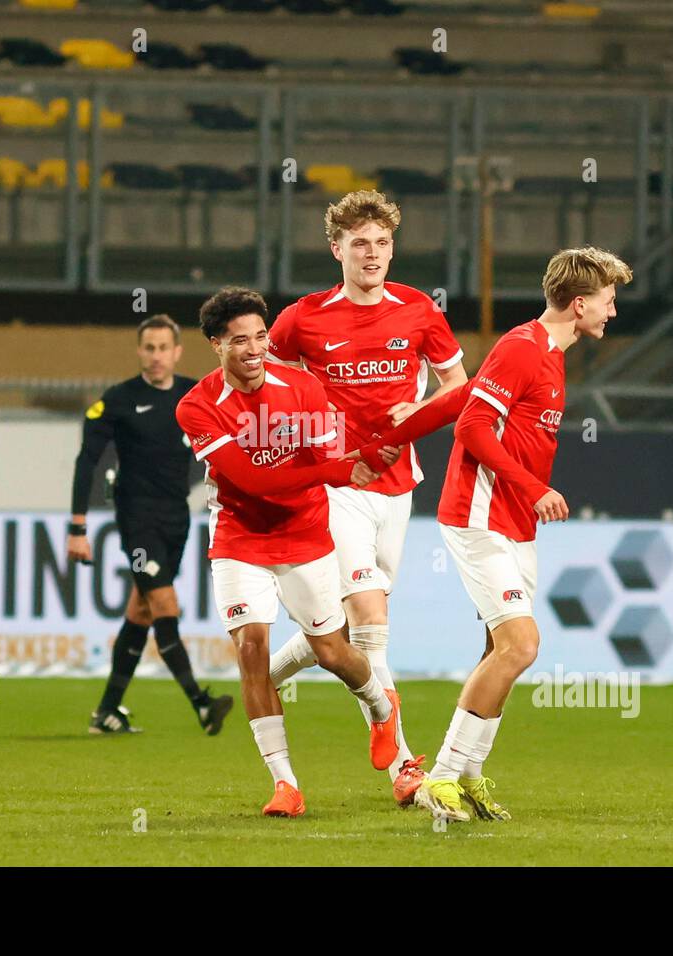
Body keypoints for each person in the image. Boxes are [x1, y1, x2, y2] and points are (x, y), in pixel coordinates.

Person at [358, 247, 633, 822]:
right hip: (479, 516)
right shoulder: (523, 347)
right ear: (579, 303)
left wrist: (403, 427)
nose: (612, 312)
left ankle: (472, 776)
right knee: (522, 646)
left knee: (496, 649)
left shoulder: (548, 355)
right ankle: (442, 779)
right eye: (608, 301)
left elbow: (464, 395)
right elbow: (477, 426)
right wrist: (534, 488)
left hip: (514, 524)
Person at [265, 190, 468, 806]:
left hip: (398, 485)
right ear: (337, 250)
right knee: (374, 622)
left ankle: (263, 674)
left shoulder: (419, 311)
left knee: (351, 624)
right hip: (336, 486)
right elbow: (264, 388)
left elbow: (457, 386)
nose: (372, 253)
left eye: (381, 242)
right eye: (359, 243)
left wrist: (423, 407)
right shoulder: (303, 317)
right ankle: (403, 763)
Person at [175, 286, 402, 817]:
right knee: (251, 649)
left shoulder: (302, 386)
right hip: (238, 536)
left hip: (304, 534)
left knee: (330, 651)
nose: (254, 350)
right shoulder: (197, 406)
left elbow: (325, 453)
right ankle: (285, 785)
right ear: (215, 345)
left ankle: (379, 706)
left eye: (260, 337)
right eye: (239, 341)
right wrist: (344, 467)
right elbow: (251, 481)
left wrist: (353, 456)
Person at [67, 314, 233, 735]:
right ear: (139, 351)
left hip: (177, 517)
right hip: (136, 519)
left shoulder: (194, 394)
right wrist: (78, 527)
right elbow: (87, 460)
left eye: (164, 348)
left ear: (177, 352)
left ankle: (106, 712)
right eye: (149, 348)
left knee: (140, 610)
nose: (156, 356)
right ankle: (200, 703)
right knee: (163, 605)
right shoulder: (120, 400)